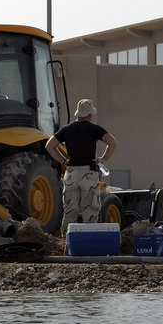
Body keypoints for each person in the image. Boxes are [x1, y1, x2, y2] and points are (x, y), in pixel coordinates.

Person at [45, 99, 117, 235]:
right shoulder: (94, 129)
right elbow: (112, 143)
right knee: (90, 210)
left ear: (78, 113)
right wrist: (104, 158)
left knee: (70, 211)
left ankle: (67, 243)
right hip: (89, 173)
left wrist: (63, 160)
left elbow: (49, 146)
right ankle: (88, 244)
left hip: (71, 173)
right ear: (90, 114)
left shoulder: (67, 129)